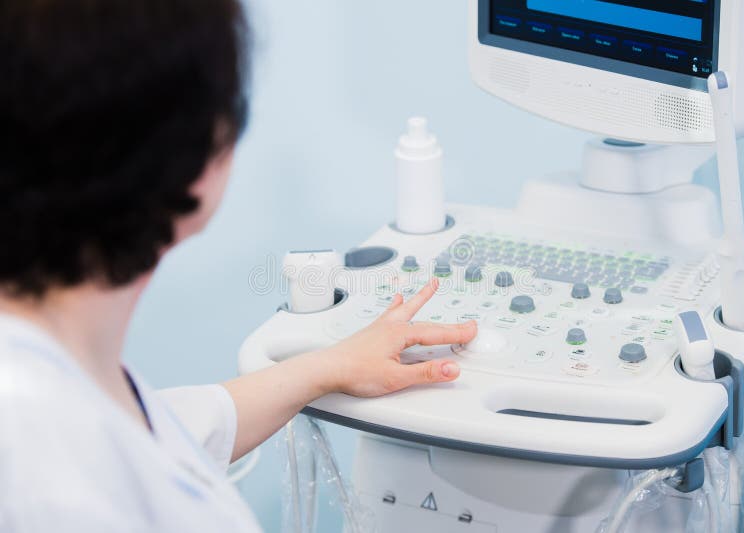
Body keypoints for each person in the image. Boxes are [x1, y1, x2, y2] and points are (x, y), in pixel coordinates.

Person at [0, 1, 477, 531]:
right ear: (203, 151)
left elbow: (163, 432)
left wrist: (330, 365)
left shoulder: (52, 376)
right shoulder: (53, 477)